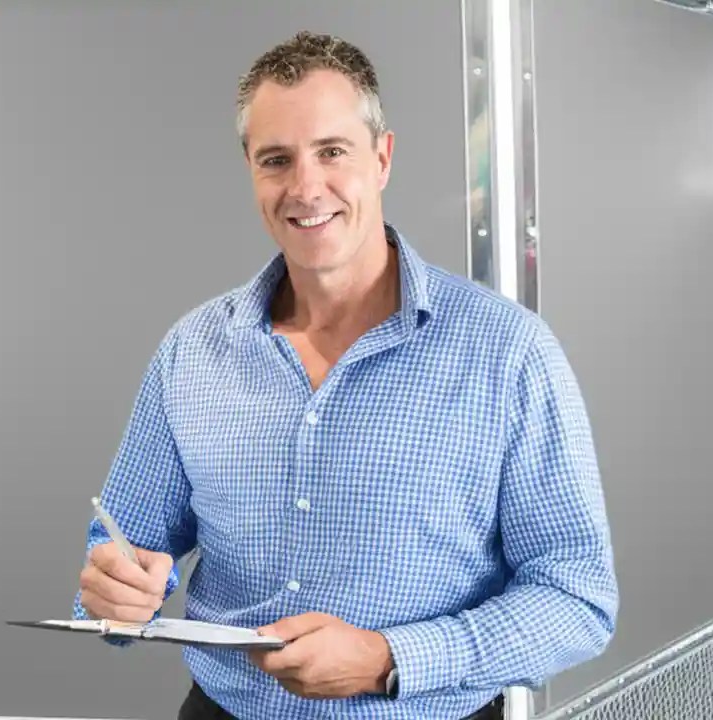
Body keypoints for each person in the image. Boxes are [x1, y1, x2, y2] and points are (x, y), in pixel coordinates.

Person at [74, 30, 618, 720]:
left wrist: (390, 657)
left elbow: (577, 600)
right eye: (277, 160)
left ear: (382, 158)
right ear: (250, 169)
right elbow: (124, 541)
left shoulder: (507, 353)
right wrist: (116, 587)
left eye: (332, 151)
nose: (306, 188)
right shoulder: (192, 352)